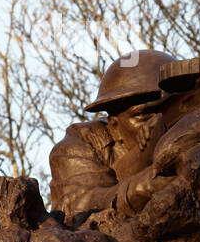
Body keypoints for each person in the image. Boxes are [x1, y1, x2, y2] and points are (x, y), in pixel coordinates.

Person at [48, 50, 178, 222]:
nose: (158, 122)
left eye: (169, 112)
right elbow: (79, 210)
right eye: (143, 115)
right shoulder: (77, 145)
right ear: (114, 125)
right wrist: (149, 170)